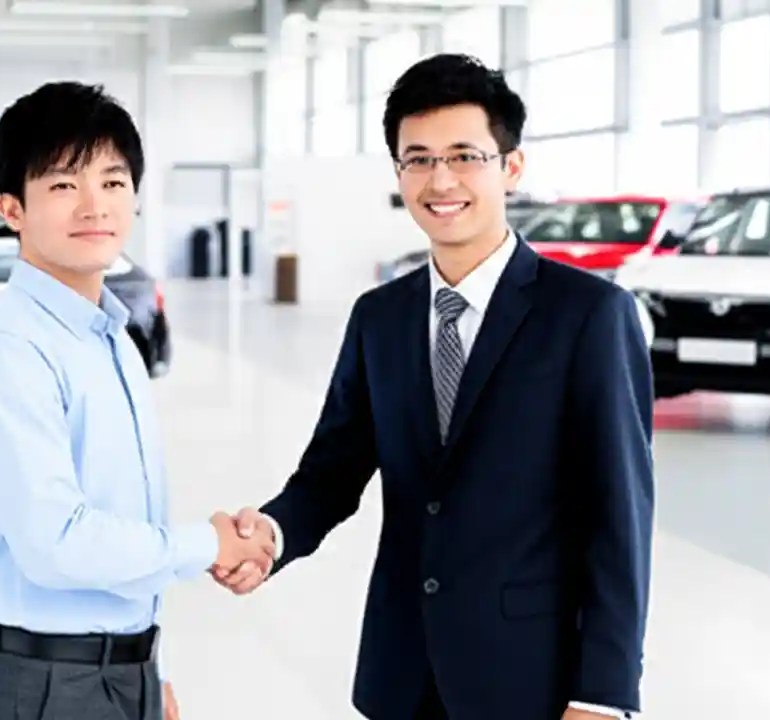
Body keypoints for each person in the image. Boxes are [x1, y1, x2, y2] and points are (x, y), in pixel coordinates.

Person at [213, 54, 654, 720]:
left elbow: (619, 514)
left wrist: (603, 694)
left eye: (464, 157)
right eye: (417, 159)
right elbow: (331, 473)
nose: (440, 180)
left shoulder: (588, 315)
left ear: (511, 166)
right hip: (402, 673)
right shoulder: (380, 317)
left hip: (531, 679)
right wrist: (271, 534)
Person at [0, 82, 274, 720]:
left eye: (113, 182)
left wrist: (149, 670)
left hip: (120, 672)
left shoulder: (111, 336)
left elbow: (125, 512)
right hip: (44, 685)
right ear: (13, 208)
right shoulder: (7, 347)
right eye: (64, 185)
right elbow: (56, 543)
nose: (95, 206)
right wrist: (208, 545)